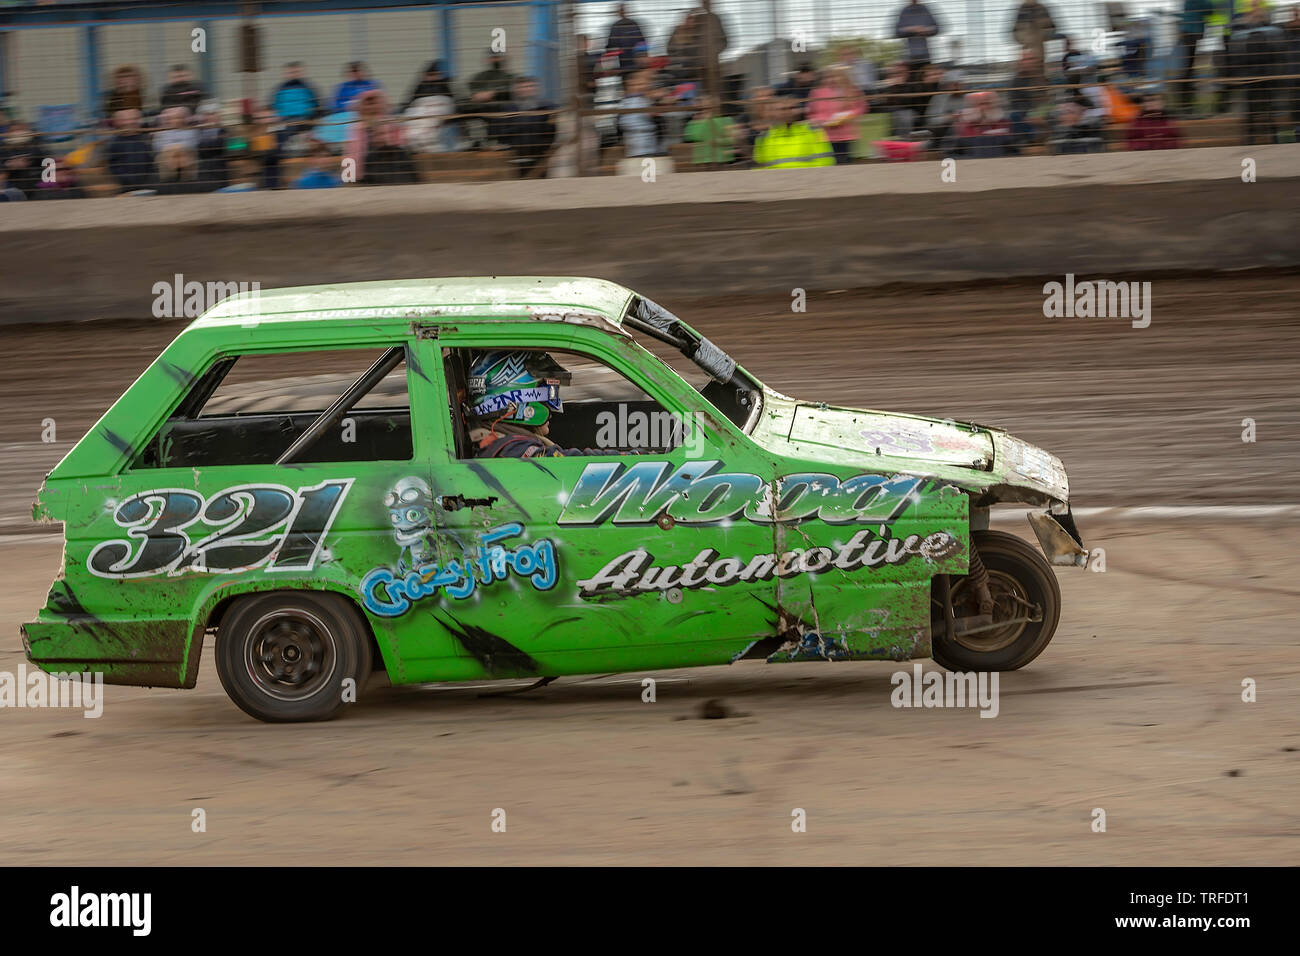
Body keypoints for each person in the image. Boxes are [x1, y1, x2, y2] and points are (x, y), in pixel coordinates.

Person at [466, 351, 598, 458]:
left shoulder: (502, 442)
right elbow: (567, 465)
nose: (551, 413)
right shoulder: (512, 450)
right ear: (516, 400)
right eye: (547, 397)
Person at [752, 94, 834, 168]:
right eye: (782, 109)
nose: (787, 112)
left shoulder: (815, 131)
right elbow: (758, 167)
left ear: (799, 110)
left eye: (792, 108)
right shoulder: (763, 137)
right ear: (773, 112)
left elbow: (826, 162)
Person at [499, 76, 557, 176]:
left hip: (541, 154)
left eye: (530, 86)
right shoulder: (508, 108)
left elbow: (553, 130)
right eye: (522, 87)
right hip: (517, 155)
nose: (526, 89)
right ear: (516, 90)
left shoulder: (548, 106)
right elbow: (502, 133)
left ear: (536, 88)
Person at [806, 65, 866, 164]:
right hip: (825, 134)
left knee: (844, 160)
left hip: (847, 134)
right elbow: (812, 112)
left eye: (835, 76)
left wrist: (848, 116)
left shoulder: (852, 91)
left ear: (843, 77)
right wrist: (823, 120)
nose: (831, 79)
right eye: (828, 77)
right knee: (829, 160)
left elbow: (861, 107)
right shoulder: (817, 93)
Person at [104, 108, 155, 191]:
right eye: (127, 120)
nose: (131, 122)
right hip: (124, 186)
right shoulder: (114, 142)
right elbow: (113, 165)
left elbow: (151, 160)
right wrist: (126, 179)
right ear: (119, 122)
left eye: (134, 119)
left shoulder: (145, 139)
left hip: (147, 183)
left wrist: (149, 177)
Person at [894, 0, 941, 80]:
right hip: (909, 57)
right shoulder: (904, 11)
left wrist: (926, 29)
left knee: (927, 81)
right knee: (912, 83)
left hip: (925, 55)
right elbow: (897, 32)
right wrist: (911, 29)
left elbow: (936, 29)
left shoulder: (926, 10)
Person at [683, 95, 738, 164]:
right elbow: (691, 137)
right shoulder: (694, 122)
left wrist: (716, 141)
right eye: (704, 108)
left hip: (723, 160)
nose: (706, 110)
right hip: (702, 161)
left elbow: (733, 140)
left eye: (710, 107)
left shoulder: (727, 120)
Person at [1010, 0, 1058, 68]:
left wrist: (1042, 37)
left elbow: (1052, 28)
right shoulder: (1021, 9)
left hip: (1039, 51)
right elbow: (1015, 32)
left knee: (1039, 71)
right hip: (1026, 53)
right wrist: (1025, 40)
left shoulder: (1042, 8)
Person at [605, 4, 648, 75]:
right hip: (623, 63)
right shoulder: (615, 26)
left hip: (635, 62)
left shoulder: (633, 24)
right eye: (621, 10)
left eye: (624, 10)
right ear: (618, 13)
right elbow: (611, 46)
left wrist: (644, 57)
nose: (623, 12)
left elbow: (642, 42)